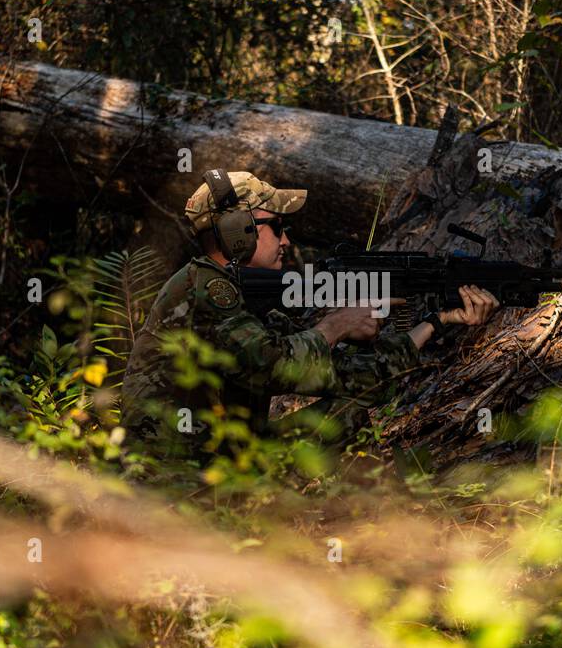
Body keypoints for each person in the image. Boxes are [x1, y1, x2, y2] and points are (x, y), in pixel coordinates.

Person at [119, 168, 499, 452]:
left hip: (218, 460)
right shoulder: (205, 288)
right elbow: (270, 366)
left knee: (346, 412)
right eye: (277, 227)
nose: (286, 240)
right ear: (239, 231)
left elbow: (351, 379)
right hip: (173, 476)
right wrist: (335, 325)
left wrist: (437, 320)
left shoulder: (246, 303)